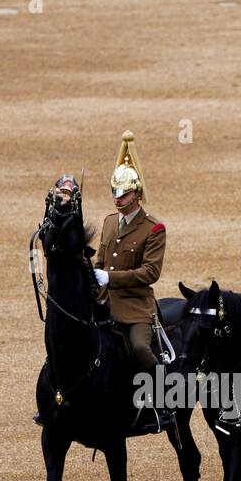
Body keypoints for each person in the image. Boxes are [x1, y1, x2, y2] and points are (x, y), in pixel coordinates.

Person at [92, 131, 173, 435]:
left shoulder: (154, 229)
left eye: (123, 194)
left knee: (140, 348)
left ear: (137, 194)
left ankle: (163, 401)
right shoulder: (110, 222)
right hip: (106, 302)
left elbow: (151, 272)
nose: (117, 198)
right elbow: (100, 261)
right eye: (114, 192)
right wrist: (93, 279)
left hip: (136, 308)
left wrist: (111, 278)